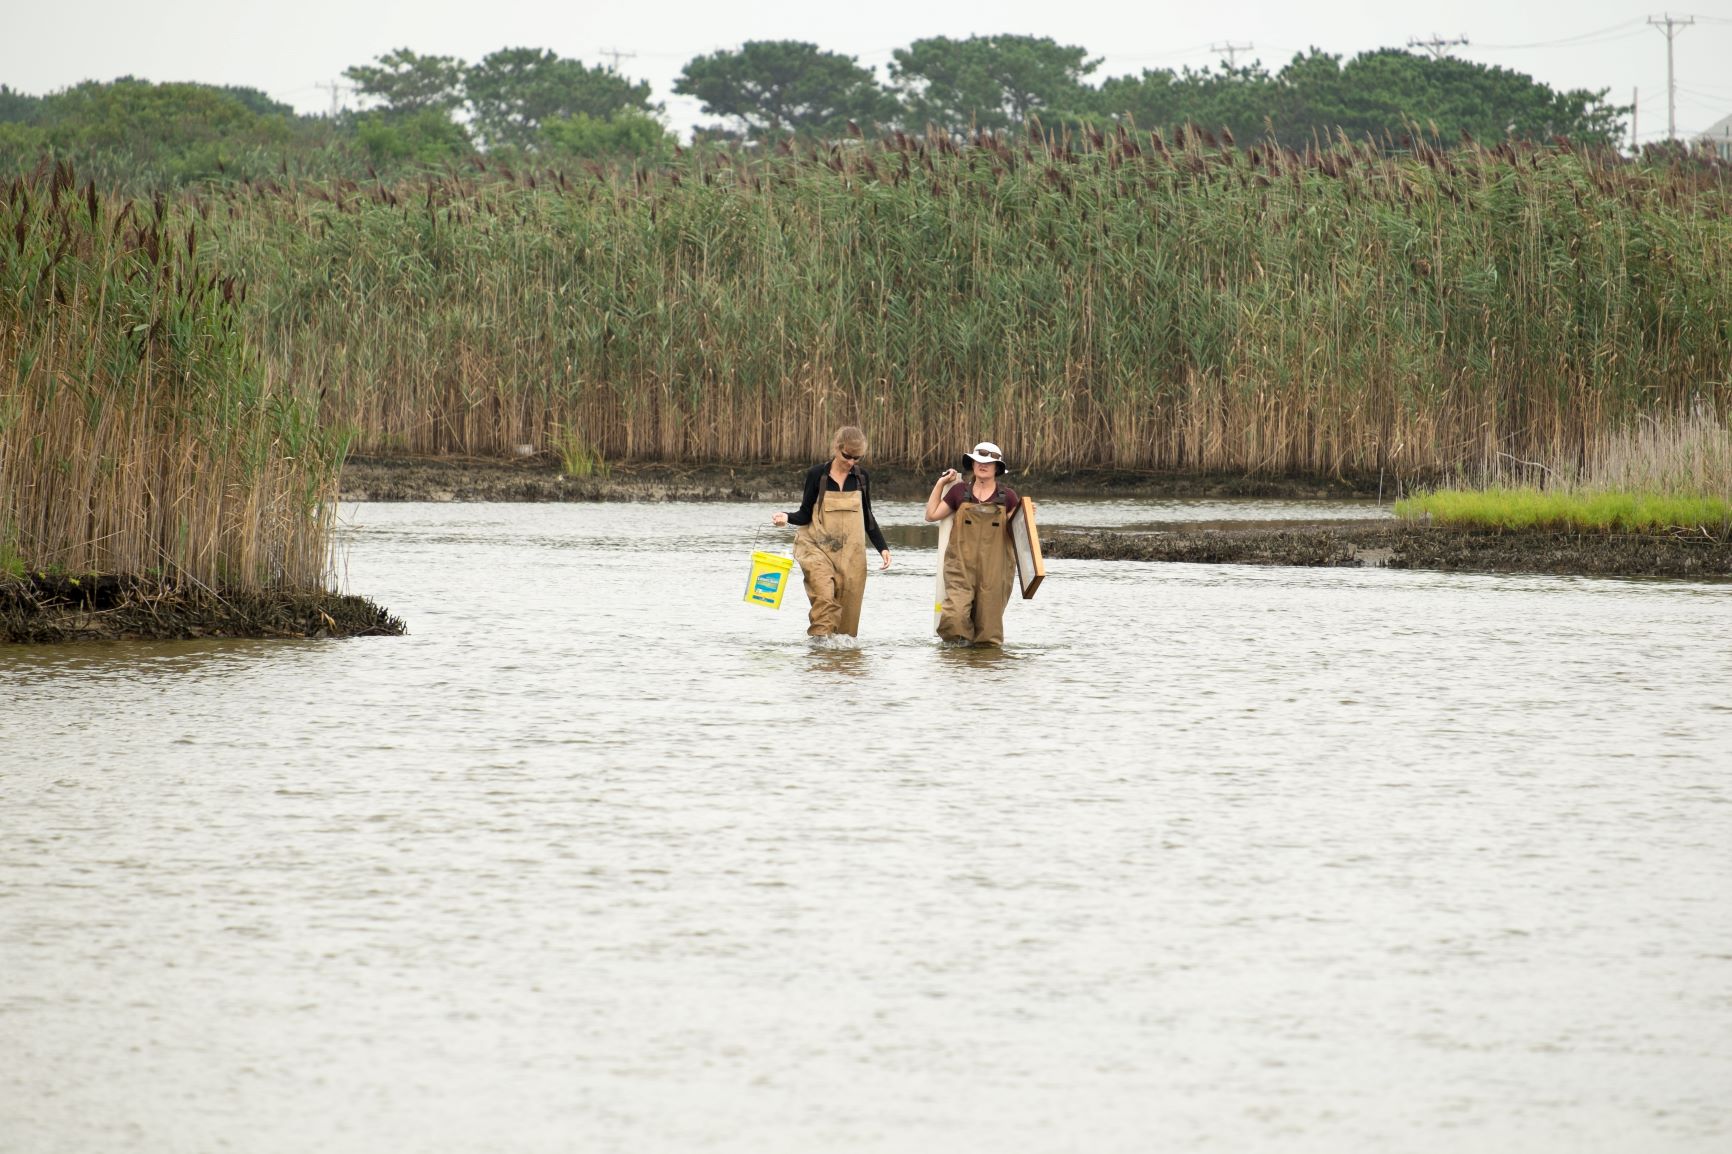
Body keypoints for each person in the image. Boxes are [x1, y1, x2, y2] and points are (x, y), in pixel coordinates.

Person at [771, 426, 892, 637]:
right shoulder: (817, 475)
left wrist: (882, 548)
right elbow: (805, 513)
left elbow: (867, 516)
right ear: (837, 448)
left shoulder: (862, 478)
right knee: (825, 602)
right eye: (847, 456)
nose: (851, 462)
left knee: (846, 624)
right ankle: (817, 659)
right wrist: (786, 517)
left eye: (857, 458)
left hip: (851, 556)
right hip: (816, 549)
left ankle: (839, 662)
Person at [924, 441, 1020, 646]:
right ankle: (957, 669)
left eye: (988, 462)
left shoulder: (1009, 497)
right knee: (954, 618)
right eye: (977, 461)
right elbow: (931, 515)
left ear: (997, 468)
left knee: (988, 632)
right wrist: (940, 484)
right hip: (960, 569)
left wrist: (1025, 516)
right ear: (972, 464)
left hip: (995, 573)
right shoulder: (959, 492)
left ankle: (984, 669)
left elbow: (1017, 535)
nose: (982, 465)